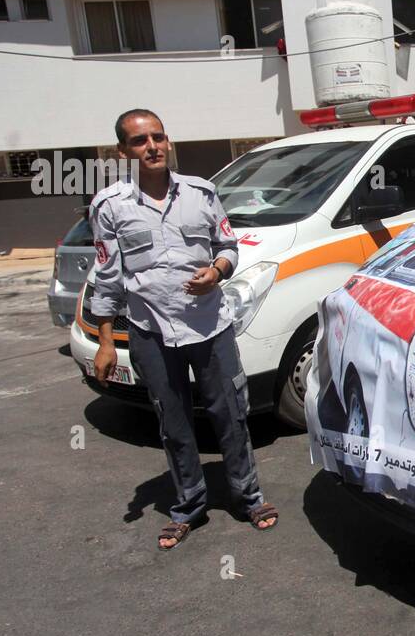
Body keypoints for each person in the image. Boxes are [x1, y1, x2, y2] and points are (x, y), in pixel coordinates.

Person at [89, 109, 278, 550]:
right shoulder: (109, 206)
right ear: (123, 151)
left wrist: (217, 270)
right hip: (150, 330)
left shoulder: (201, 192)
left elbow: (228, 245)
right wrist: (103, 343)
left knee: (229, 414)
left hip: (209, 325)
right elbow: (107, 277)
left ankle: (249, 498)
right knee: (173, 423)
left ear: (168, 142)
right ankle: (188, 506)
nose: (151, 146)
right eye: (139, 141)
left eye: (158, 137)